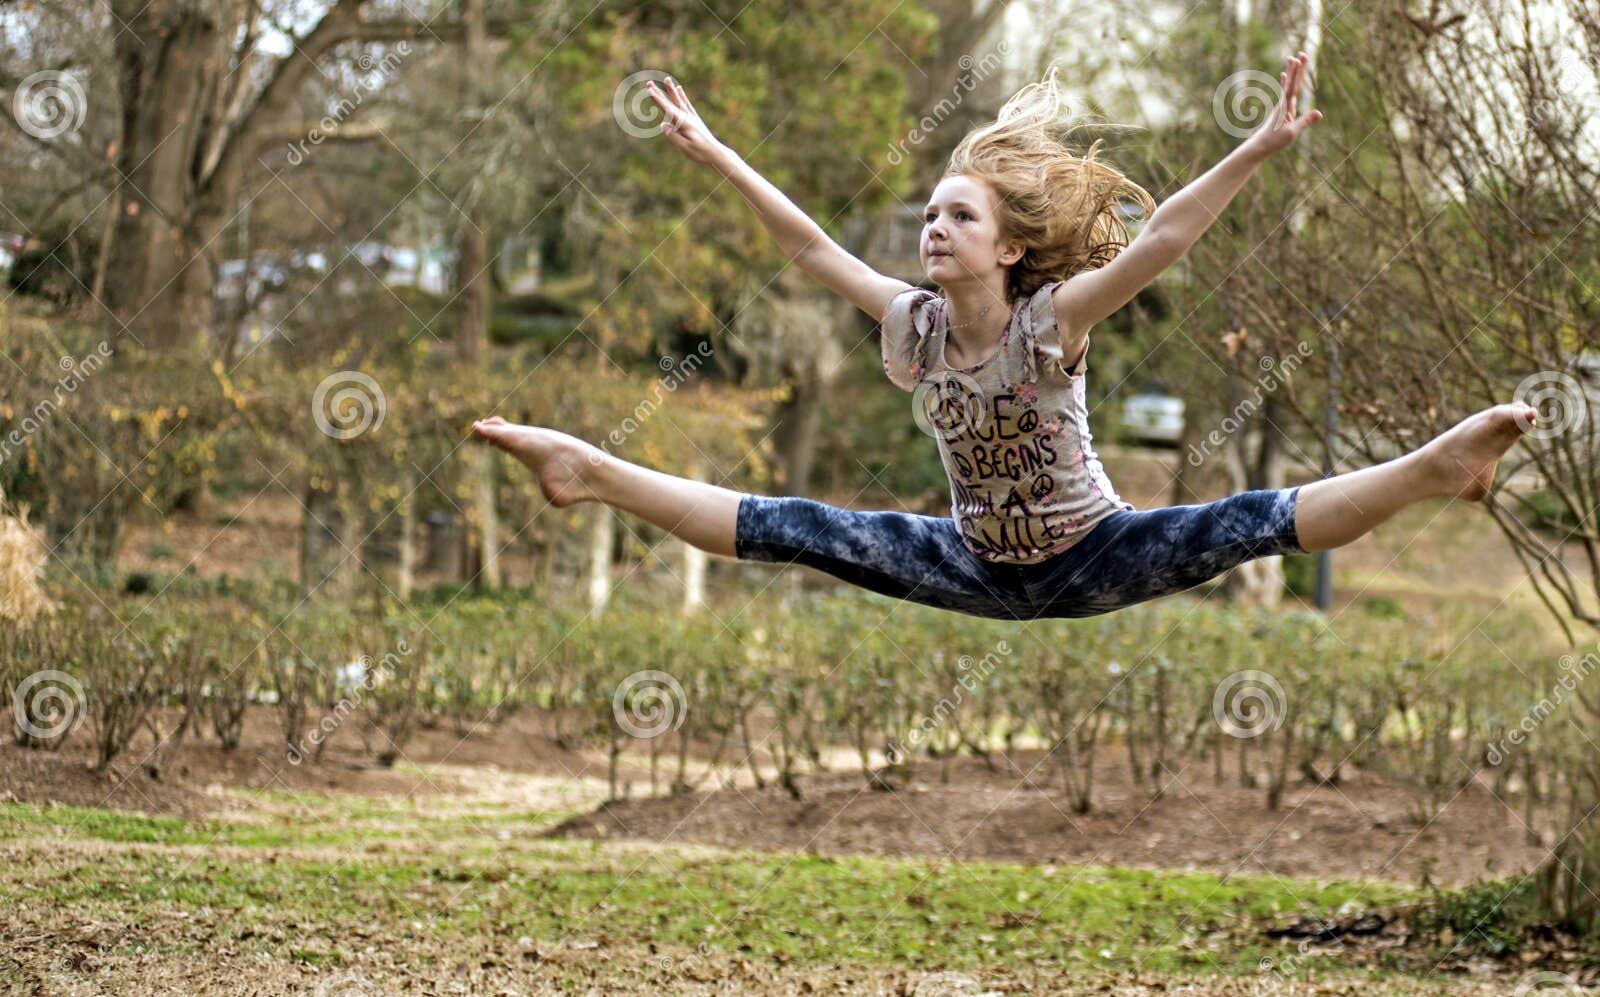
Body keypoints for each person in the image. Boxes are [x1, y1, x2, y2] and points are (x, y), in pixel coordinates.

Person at [471, 58, 1539, 621]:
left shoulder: (1049, 324)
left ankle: (1435, 465)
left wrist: (1256, 148)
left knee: (1246, 522)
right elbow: (805, 248)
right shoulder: (912, 327)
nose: (934, 229)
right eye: (929, 216)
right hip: (973, 562)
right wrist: (714, 155)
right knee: (799, 526)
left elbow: (1162, 237)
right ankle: (592, 467)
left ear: (1010, 246)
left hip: (1092, 551)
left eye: (959, 217)